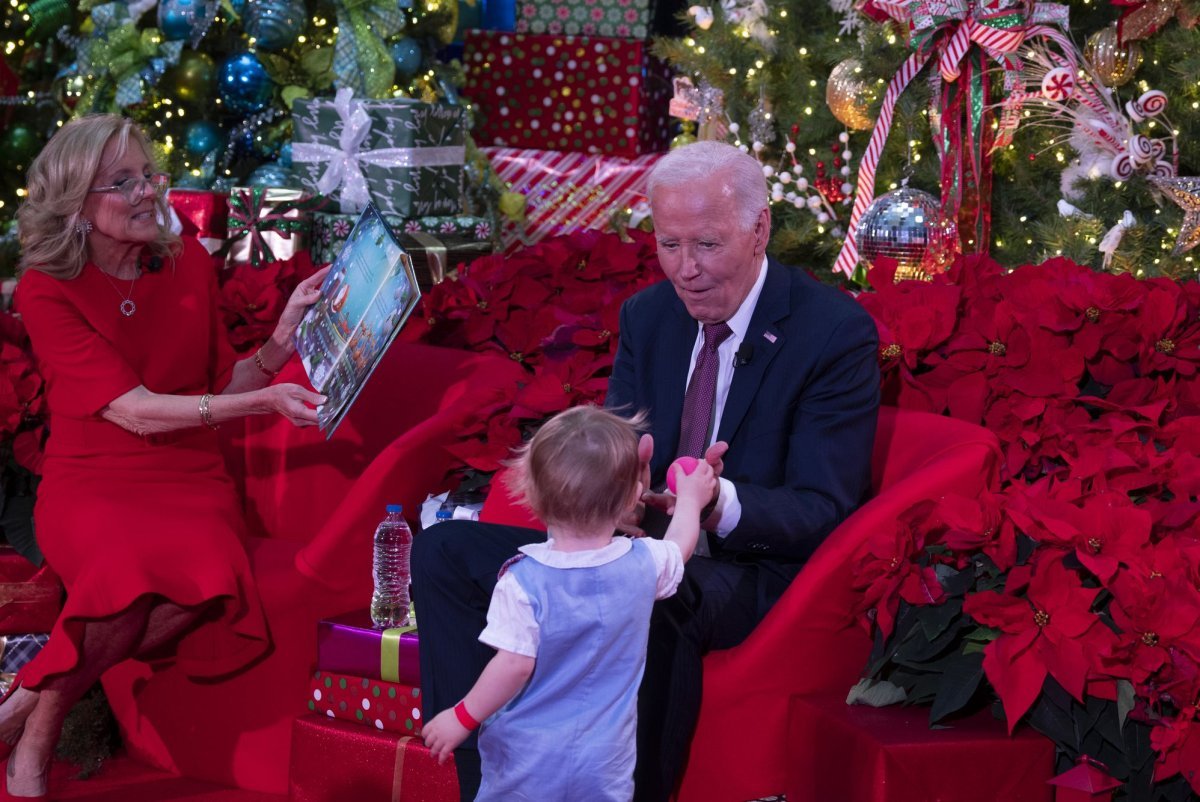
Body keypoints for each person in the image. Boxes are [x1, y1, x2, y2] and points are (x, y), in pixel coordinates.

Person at [411, 140, 880, 801]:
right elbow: (616, 449)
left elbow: (822, 509)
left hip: (745, 573)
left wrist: (716, 503)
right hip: (629, 546)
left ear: (759, 228)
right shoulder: (650, 315)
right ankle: (491, 785)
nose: (685, 270)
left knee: (647, 597)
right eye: (669, 245)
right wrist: (613, 494)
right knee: (444, 551)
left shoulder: (832, 333)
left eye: (707, 246)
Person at [0, 114, 327, 798]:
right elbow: (134, 411)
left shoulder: (189, 264)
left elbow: (217, 386)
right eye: (123, 181)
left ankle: (26, 709)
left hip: (188, 475)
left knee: (210, 574)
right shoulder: (46, 289)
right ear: (76, 207)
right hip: (92, 478)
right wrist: (258, 406)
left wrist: (280, 338)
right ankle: (35, 746)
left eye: (149, 174)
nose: (149, 191)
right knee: (123, 572)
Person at [422, 406, 716, 801]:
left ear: (530, 494)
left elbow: (514, 665)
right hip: (604, 765)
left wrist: (461, 717)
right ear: (632, 497)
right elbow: (680, 546)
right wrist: (691, 502)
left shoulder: (522, 580)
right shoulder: (644, 563)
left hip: (527, 764)